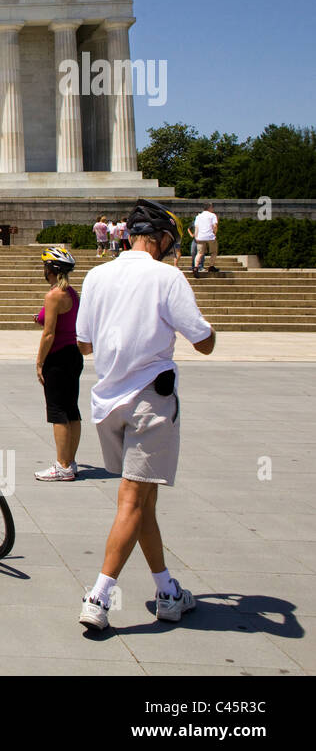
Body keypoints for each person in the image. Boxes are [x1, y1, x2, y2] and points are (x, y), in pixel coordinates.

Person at [75, 200, 214, 632]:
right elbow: (203, 341)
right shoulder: (167, 277)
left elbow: (83, 344)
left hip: (107, 404)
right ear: (160, 238)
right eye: (170, 241)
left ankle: (167, 592)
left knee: (144, 501)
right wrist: (205, 333)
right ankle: (99, 596)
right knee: (133, 501)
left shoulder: (97, 275)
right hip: (150, 402)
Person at [34, 248, 83, 482]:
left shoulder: (53, 295)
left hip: (58, 357)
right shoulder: (71, 293)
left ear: (50, 271)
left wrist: (40, 362)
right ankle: (70, 461)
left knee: (57, 412)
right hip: (73, 354)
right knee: (72, 410)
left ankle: (62, 466)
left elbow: (49, 334)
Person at [192, 202, 219, 278]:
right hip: (210, 236)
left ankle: (196, 267)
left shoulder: (198, 216)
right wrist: (215, 233)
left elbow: (196, 228)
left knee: (199, 253)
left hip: (200, 236)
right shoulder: (212, 215)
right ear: (210, 207)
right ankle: (211, 266)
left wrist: (196, 237)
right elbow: (215, 226)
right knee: (214, 252)